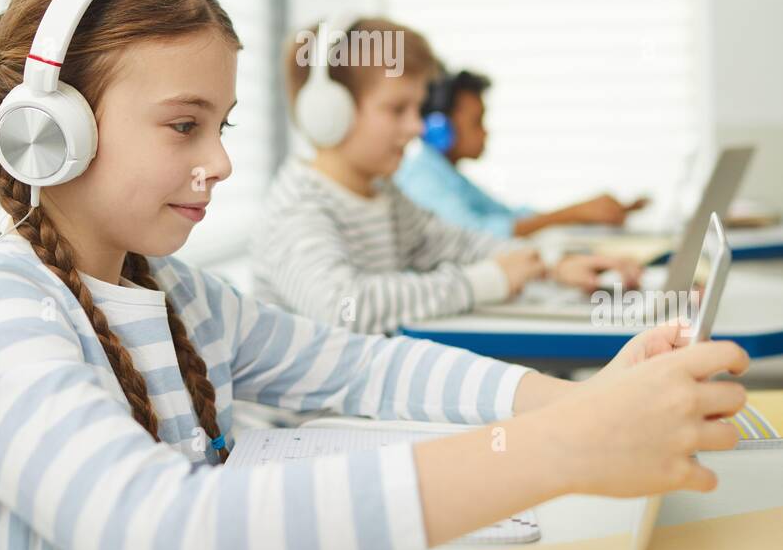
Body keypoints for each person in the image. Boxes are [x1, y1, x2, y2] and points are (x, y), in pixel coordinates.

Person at [0, 0, 747, 550]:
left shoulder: (182, 296)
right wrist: (562, 449)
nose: (223, 160)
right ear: (53, 130)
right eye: (184, 125)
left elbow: (363, 369)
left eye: (223, 126)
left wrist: (572, 402)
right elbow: (162, 538)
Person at [252, 17, 647, 334]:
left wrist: (552, 263)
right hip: (307, 426)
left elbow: (459, 245)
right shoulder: (298, 206)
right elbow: (344, 306)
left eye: (417, 109)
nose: (417, 127)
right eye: (397, 109)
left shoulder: (383, 194)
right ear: (329, 113)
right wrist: (482, 282)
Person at [397, 68, 647, 239]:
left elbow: (509, 217)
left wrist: (586, 214)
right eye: (477, 122)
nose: (485, 132)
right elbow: (476, 234)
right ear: (439, 129)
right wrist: (573, 213)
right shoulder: (422, 176)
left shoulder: (447, 175)